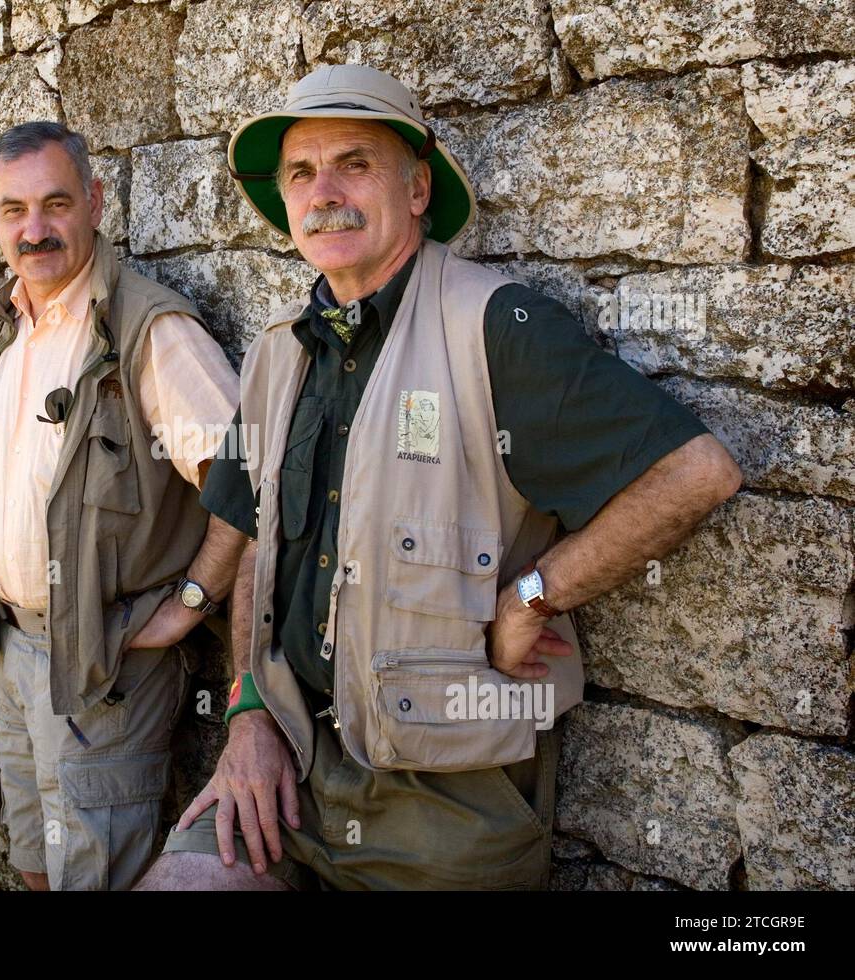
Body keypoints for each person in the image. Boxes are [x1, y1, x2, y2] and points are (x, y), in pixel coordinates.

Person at [137, 64, 742, 891]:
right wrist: (246, 709)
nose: (325, 193)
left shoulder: (497, 325)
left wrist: (533, 595)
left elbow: (696, 472)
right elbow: (252, 540)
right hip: (287, 763)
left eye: (355, 163)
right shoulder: (279, 350)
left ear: (417, 189)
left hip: (447, 800)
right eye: (302, 173)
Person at [0, 122, 248, 890]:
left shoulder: (147, 331)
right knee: (35, 866)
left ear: (94, 201)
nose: (35, 228)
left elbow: (248, 481)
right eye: (14, 209)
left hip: (103, 670)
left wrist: (192, 600)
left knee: (92, 876)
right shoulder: (3, 334)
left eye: (55, 203)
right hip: (17, 658)